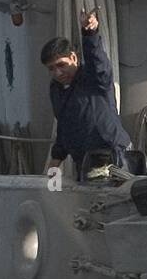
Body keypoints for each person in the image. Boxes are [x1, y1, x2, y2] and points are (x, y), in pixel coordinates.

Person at [41, 10, 133, 178]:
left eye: (61, 65)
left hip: (114, 156)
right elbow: (64, 126)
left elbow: (98, 63)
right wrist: (56, 160)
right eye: (52, 68)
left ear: (74, 58)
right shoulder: (56, 90)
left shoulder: (94, 79)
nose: (58, 73)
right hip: (85, 163)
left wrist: (90, 33)